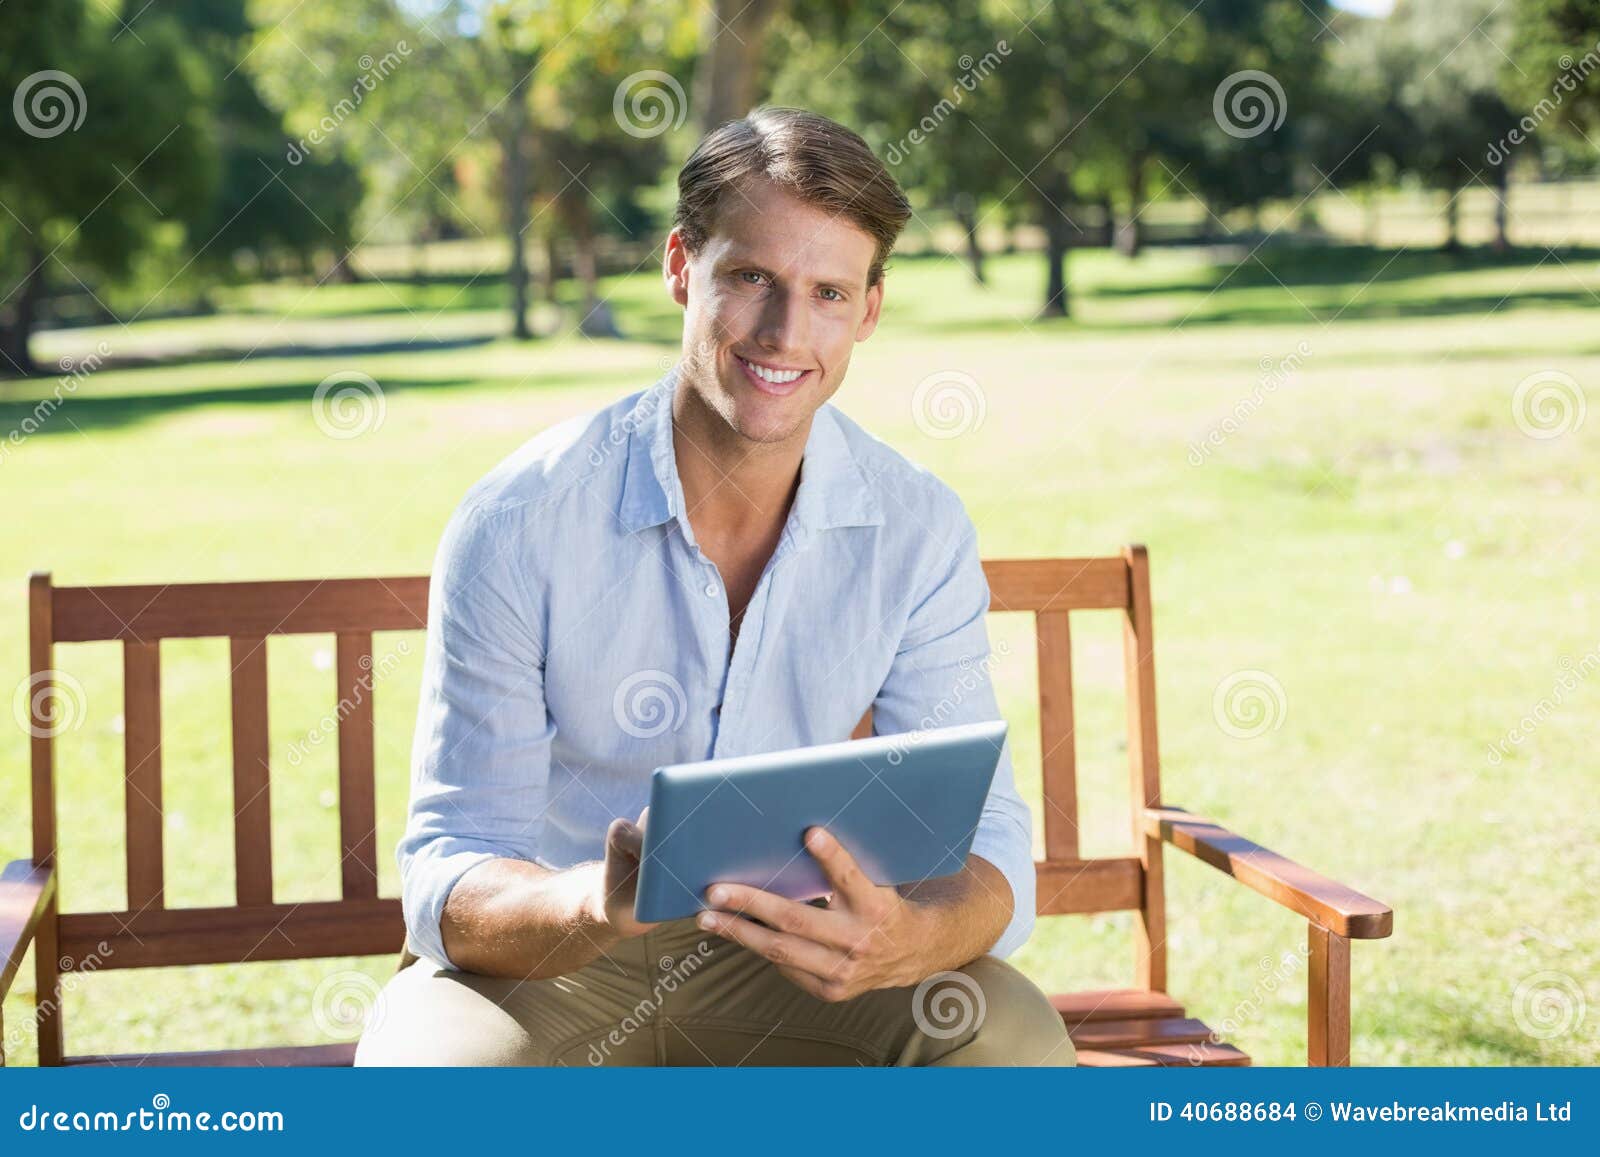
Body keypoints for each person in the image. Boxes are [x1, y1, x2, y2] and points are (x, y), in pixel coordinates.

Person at [354, 107, 1075, 1067]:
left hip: (797, 954)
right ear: (680, 267)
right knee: (427, 1081)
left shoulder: (919, 528)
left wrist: (913, 937)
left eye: (828, 291)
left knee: (1011, 1044)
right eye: (750, 278)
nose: (786, 331)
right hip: (551, 966)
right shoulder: (519, 518)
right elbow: (450, 869)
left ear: (868, 309)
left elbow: (988, 841)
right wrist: (597, 900)